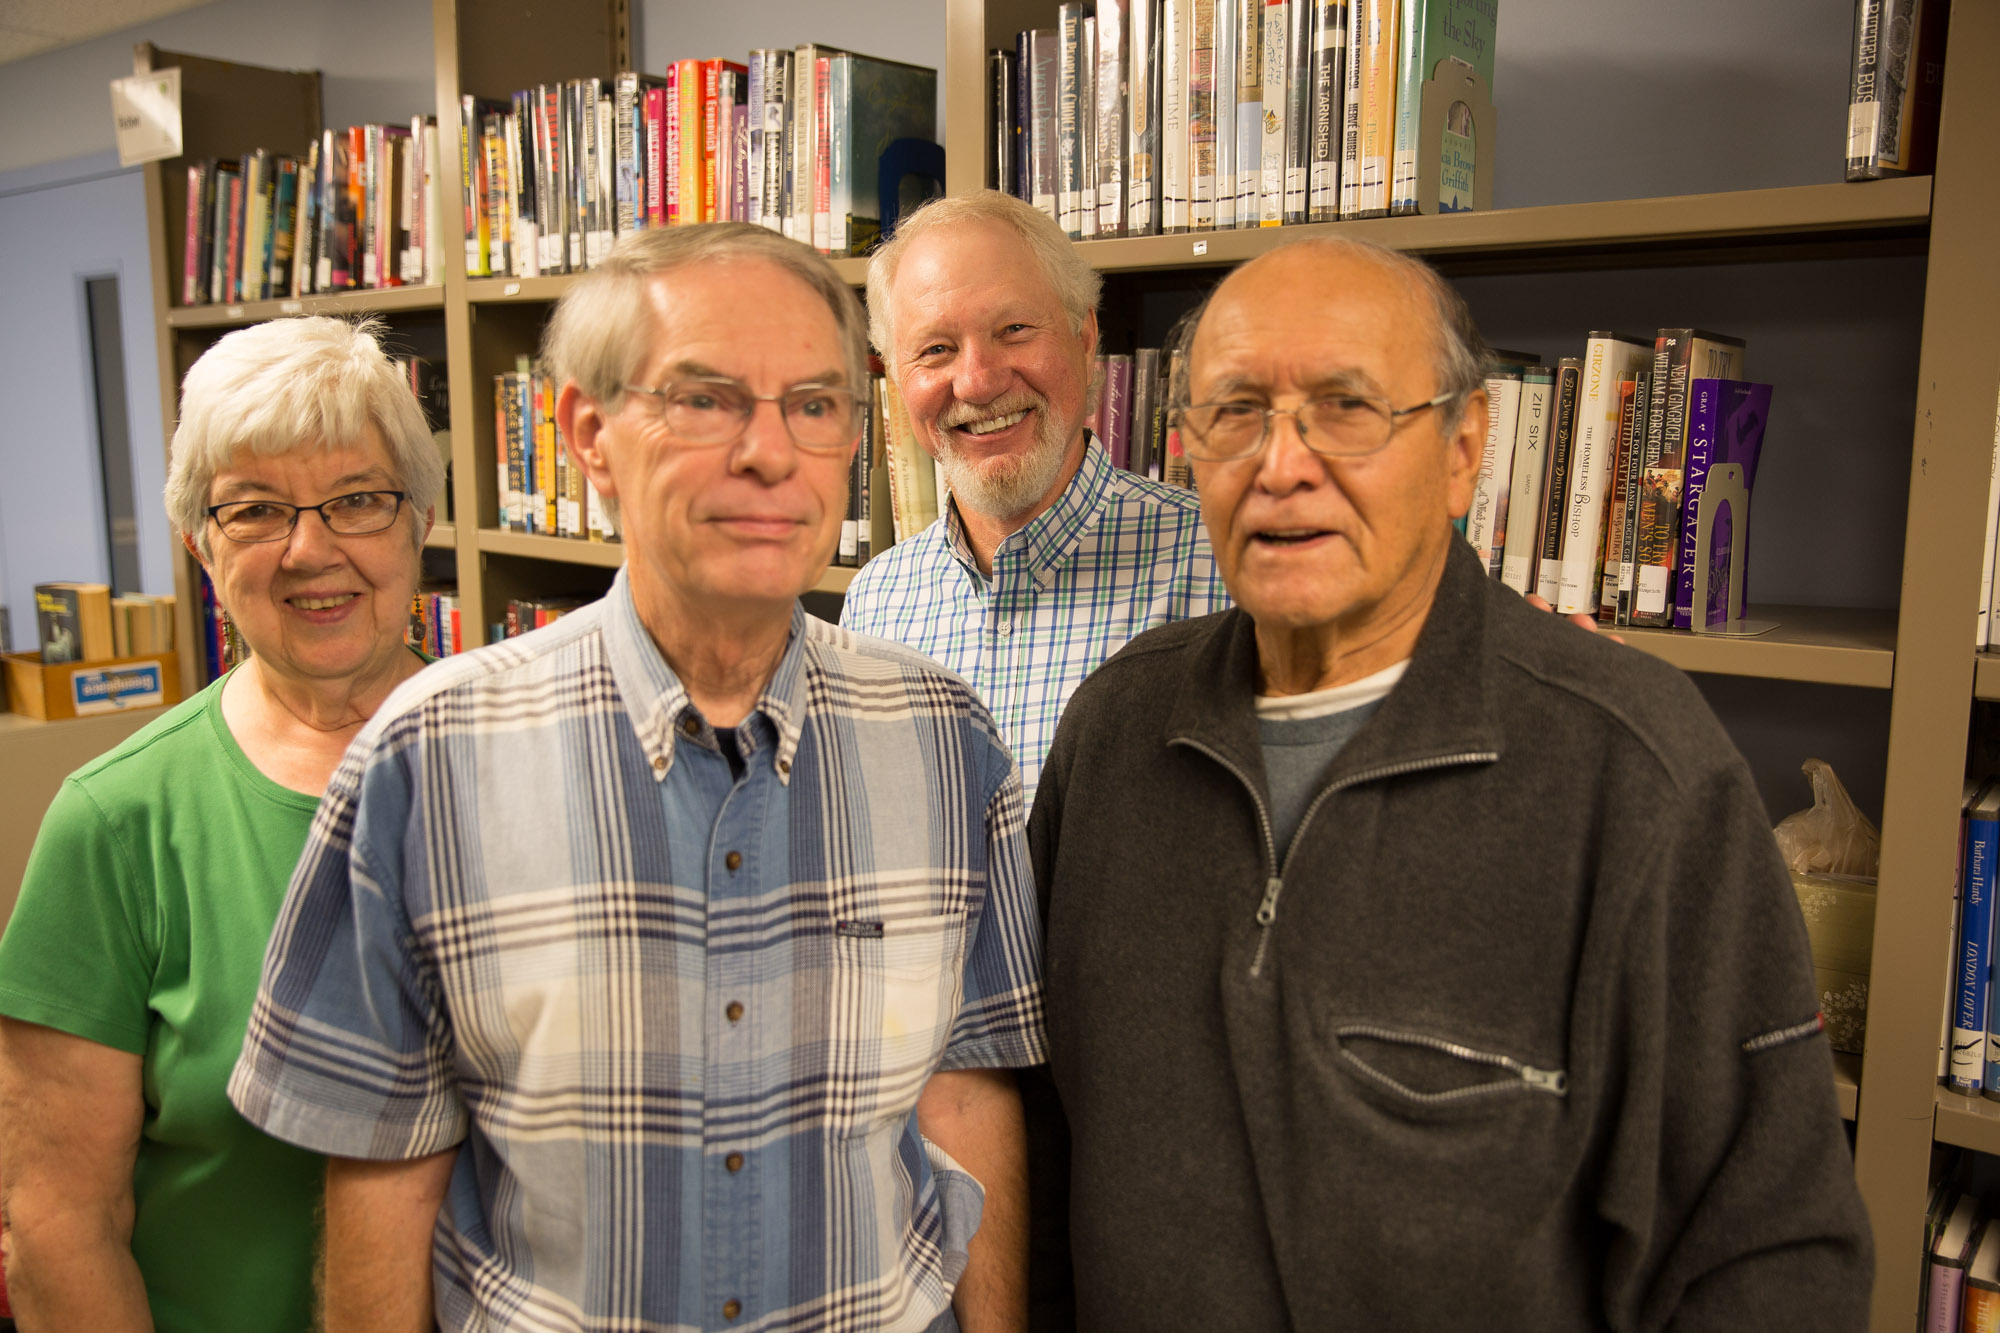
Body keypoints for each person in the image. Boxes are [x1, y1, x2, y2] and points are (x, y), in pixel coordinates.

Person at [1023, 236, 1873, 1329]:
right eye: (1234, 411)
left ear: (1465, 449)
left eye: (1346, 407)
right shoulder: (1115, 732)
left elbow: (1767, 1253)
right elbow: (1037, 1140)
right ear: (1186, 447)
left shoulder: (1637, 769)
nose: (1280, 463)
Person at [228, 224, 1048, 1333]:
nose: (768, 452)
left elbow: (963, 1092)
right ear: (587, 433)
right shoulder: (430, 756)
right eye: (704, 398)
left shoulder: (946, 742)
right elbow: (383, 1170)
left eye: (812, 405)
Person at [0, 315, 445, 1332]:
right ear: (201, 547)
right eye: (254, 511)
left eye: (357, 501)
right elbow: (60, 1220)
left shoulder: (535, 757)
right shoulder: (115, 825)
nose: (309, 549)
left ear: (418, 520)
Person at [842, 191, 1230, 796]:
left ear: (1083, 340)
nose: (977, 381)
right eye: (935, 349)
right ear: (896, 377)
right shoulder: (874, 605)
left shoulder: (1224, 569)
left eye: (1014, 330)